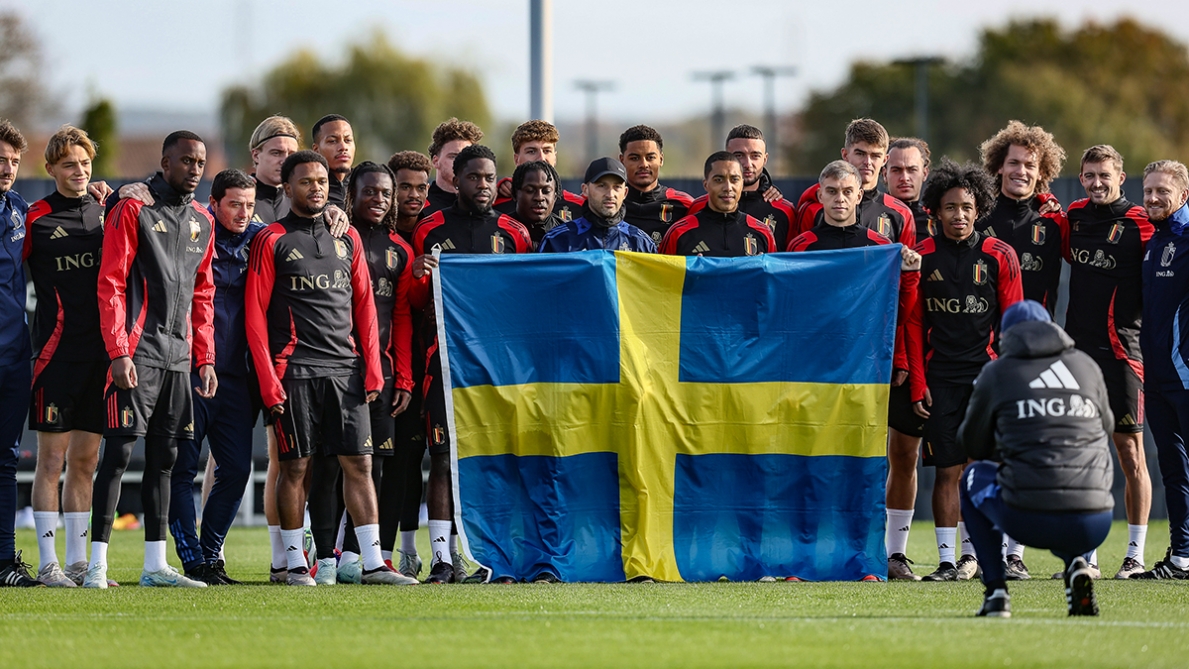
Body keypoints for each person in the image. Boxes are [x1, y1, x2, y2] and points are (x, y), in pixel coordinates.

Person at [245, 150, 416, 586]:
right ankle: (293, 562)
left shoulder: (348, 239)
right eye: (305, 181)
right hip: (294, 370)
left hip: (346, 372)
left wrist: (373, 371)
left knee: (359, 464)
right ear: (287, 188)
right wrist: (268, 381)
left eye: (321, 180)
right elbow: (254, 316)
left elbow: (364, 308)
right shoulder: (272, 239)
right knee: (296, 468)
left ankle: (373, 562)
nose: (316, 187)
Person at [85, 131, 218, 589]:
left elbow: (204, 292)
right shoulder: (133, 207)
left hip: (178, 358)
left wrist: (205, 357)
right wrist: (119, 350)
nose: (194, 168)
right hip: (136, 353)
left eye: (200, 161)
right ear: (164, 163)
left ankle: (155, 566)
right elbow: (112, 283)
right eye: (185, 160)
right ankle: (97, 566)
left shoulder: (204, 217)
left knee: (166, 459)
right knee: (119, 454)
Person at [411, 144, 531, 583]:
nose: (482, 185)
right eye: (473, 177)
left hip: (499, 370)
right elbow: (416, 300)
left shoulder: (515, 233)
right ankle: (442, 559)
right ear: (455, 180)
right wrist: (420, 277)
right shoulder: (430, 228)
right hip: (446, 365)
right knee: (442, 459)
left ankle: (493, 555)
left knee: (496, 460)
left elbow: (525, 303)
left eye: (488, 178)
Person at [958, 300, 1115, 617]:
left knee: (972, 478)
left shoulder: (998, 371)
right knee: (1065, 487)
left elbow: (972, 443)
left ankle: (997, 592)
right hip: (1096, 522)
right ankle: (1078, 565)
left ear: (1006, 335)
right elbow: (1106, 427)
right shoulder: (1087, 366)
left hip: (1028, 518)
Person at [906, 158, 1023, 582]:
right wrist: (918, 382)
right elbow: (914, 325)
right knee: (947, 471)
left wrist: (1008, 381)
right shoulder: (921, 256)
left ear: (980, 210)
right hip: (940, 381)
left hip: (986, 379)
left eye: (967, 207)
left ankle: (975, 557)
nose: (959, 215)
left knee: (982, 469)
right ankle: (944, 560)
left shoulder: (999, 255)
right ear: (935, 210)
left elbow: (1014, 324)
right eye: (951, 207)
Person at [164, 169, 263, 586]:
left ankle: (211, 554)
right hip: (189, 372)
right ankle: (191, 559)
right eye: (235, 204)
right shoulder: (193, 230)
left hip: (237, 379)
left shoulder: (261, 240)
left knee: (237, 469)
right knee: (182, 468)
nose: (243, 213)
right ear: (215, 202)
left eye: (250, 205)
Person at [1062, 145, 1153, 579]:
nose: (1097, 183)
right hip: (1078, 355)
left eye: (1105, 176)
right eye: (1089, 176)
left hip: (1124, 356)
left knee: (1130, 452)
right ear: (1081, 178)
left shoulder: (1140, 222)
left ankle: (1135, 555)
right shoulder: (1074, 216)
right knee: (1086, 454)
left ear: (1120, 176)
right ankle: (1089, 554)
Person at [23, 126, 107, 587]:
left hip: (101, 358)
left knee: (85, 462)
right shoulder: (35, 218)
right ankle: (48, 562)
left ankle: (78, 562)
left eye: (85, 163)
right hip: (54, 357)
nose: (79, 172)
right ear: (52, 168)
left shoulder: (106, 212)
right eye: (70, 164)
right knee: (50, 461)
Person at [334, 161, 415, 583]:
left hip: (379, 374)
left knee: (375, 465)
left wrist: (403, 377)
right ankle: (324, 555)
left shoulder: (401, 249)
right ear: (353, 194)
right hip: (332, 367)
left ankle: (357, 557)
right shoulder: (337, 239)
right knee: (330, 467)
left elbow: (400, 316)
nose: (380, 200)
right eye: (370, 192)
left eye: (386, 193)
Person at [880, 137, 933, 578]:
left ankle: (896, 553)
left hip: (923, 357)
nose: (903, 176)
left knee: (906, 454)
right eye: (895, 168)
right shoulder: (862, 210)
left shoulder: (944, 215)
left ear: (924, 171)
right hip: (860, 353)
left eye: (910, 169)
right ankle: (857, 546)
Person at [1134, 159, 1189, 580]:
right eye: (1148, 190)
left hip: (1184, 378)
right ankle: (1182, 555)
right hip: (1156, 380)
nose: (1152, 198)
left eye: (1162, 192)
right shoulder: (1155, 239)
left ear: (1183, 195)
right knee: (1173, 469)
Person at [385, 150, 434, 577]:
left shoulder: (436, 227)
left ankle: (409, 549)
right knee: (378, 459)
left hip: (428, 360)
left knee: (414, 456)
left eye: (422, 187)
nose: (414, 195)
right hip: (383, 361)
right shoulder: (373, 234)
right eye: (405, 187)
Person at [0, 119, 41, 587]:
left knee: (6, 460)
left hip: (14, 356)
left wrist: (107, 196)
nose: (8, 169)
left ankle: (5, 560)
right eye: (1, 161)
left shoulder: (17, 209)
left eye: (13, 161)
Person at [978, 121, 1068, 317]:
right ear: (1000, 166)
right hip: (987, 343)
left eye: (1030, 165)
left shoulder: (1054, 220)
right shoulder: (977, 218)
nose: (1021, 171)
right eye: (1014, 163)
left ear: (1041, 171)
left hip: (1038, 338)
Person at [795, 118, 914, 249]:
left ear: (885, 160)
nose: (868, 162)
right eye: (860, 154)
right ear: (845, 155)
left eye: (875, 155)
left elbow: (905, 267)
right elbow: (799, 260)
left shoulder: (900, 214)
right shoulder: (812, 208)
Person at [688, 125, 795, 249]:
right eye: (739, 155)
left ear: (765, 159)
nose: (747, 164)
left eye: (755, 155)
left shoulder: (784, 211)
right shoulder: (698, 206)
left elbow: (793, 262)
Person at [659, 152, 776, 256]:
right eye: (719, 180)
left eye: (734, 179)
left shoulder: (763, 232)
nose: (728, 188)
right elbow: (662, 278)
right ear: (706, 185)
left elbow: (774, 278)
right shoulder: (679, 232)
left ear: (742, 183)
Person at [539, 158, 656, 253]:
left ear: (625, 193)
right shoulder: (557, 240)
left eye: (617, 187)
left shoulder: (641, 243)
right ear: (585, 190)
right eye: (602, 186)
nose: (610, 194)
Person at [615, 125, 693, 244]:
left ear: (661, 159)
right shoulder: (608, 204)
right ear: (622, 160)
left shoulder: (684, 205)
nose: (644, 164)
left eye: (650, 157)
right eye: (634, 158)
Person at [493, 120, 584, 221]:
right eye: (531, 151)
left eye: (547, 151)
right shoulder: (496, 206)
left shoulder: (580, 207)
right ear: (516, 159)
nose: (541, 158)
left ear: (555, 157)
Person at [421, 118, 484, 219]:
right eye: (453, 156)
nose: (462, 162)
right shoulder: (418, 207)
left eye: (468, 156)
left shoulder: (484, 206)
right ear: (435, 161)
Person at [248, 115, 300, 224]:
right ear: (256, 155)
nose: (285, 161)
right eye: (276, 153)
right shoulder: (238, 199)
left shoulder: (301, 201)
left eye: (291, 154)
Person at [506, 160, 563, 247]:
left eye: (546, 191)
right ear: (514, 194)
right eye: (530, 190)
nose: (539, 197)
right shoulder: (501, 230)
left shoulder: (567, 233)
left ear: (555, 196)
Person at [311, 114, 355, 209]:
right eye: (333, 141)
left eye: (348, 140)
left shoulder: (363, 183)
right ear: (316, 150)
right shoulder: (310, 189)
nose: (343, 147)